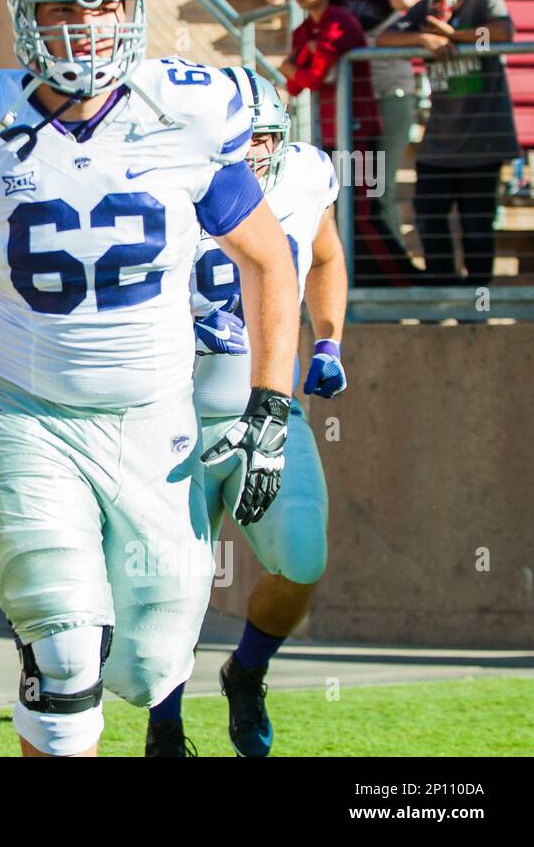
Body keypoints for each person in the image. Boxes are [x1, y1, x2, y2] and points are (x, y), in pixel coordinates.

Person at [0, 0, 300, 758]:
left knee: (149, 667)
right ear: (23, 17)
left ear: (134, 15)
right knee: (66, 651)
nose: (87, 31)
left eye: (105, 10)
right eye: (63, 11)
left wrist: (273, 408)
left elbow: (269, 263)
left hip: (156, 423)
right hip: (26, 416)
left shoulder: (187, 110)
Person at [147, 67, 347, 757]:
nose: (252, 152)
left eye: (264, 137)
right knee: (171, 586)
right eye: (241, 138)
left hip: (268, 410)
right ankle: (164, 725)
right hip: (169, 415)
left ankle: (247, 671)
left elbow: (323, 256)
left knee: (302, 560)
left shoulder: (304, 177)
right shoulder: (164, 177)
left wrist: (328, 338)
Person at [268, 0, 422, 245]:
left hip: (386, 92)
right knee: (345, 190)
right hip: (339, 96)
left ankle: (387, 285)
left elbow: (411, 4)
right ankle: (358, 277)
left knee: (377, 189)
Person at [378, 0, 521, 286]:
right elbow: (384, 38)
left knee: (476, 228)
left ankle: (476, 305)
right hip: (440, 142)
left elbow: (503, 33)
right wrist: (424, 38)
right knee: (430, 218)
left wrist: (453, 36)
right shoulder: (429, 4)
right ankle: (442, 299)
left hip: (482, 143)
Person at [278, 0, 413, 286]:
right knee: (348, 209)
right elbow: (300, 84)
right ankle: (371, 282)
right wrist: (298, 69)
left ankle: (405, 284)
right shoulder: (307, 27)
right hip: (335, 132)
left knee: (366, 211)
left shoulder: (340, 21)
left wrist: (290, 66)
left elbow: (307, 76)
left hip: (361, 130)